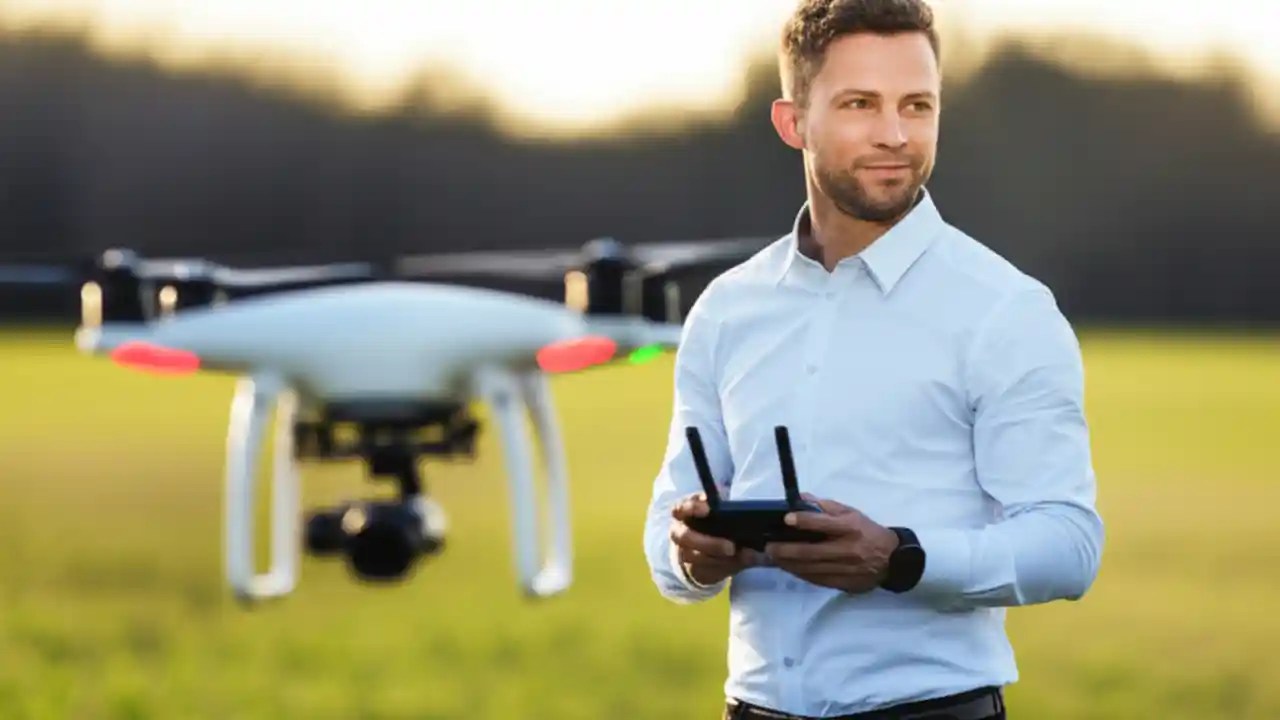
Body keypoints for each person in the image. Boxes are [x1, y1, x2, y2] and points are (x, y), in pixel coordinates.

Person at [641, 1, 1106, 718]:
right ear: (793, 122)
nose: (895, 134)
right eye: (861, 103)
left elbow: (1068, 543)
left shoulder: (1005, 308)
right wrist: (692, 553)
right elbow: (663, 541)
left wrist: (900, 558)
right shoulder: (728, 309)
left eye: (917, 105)